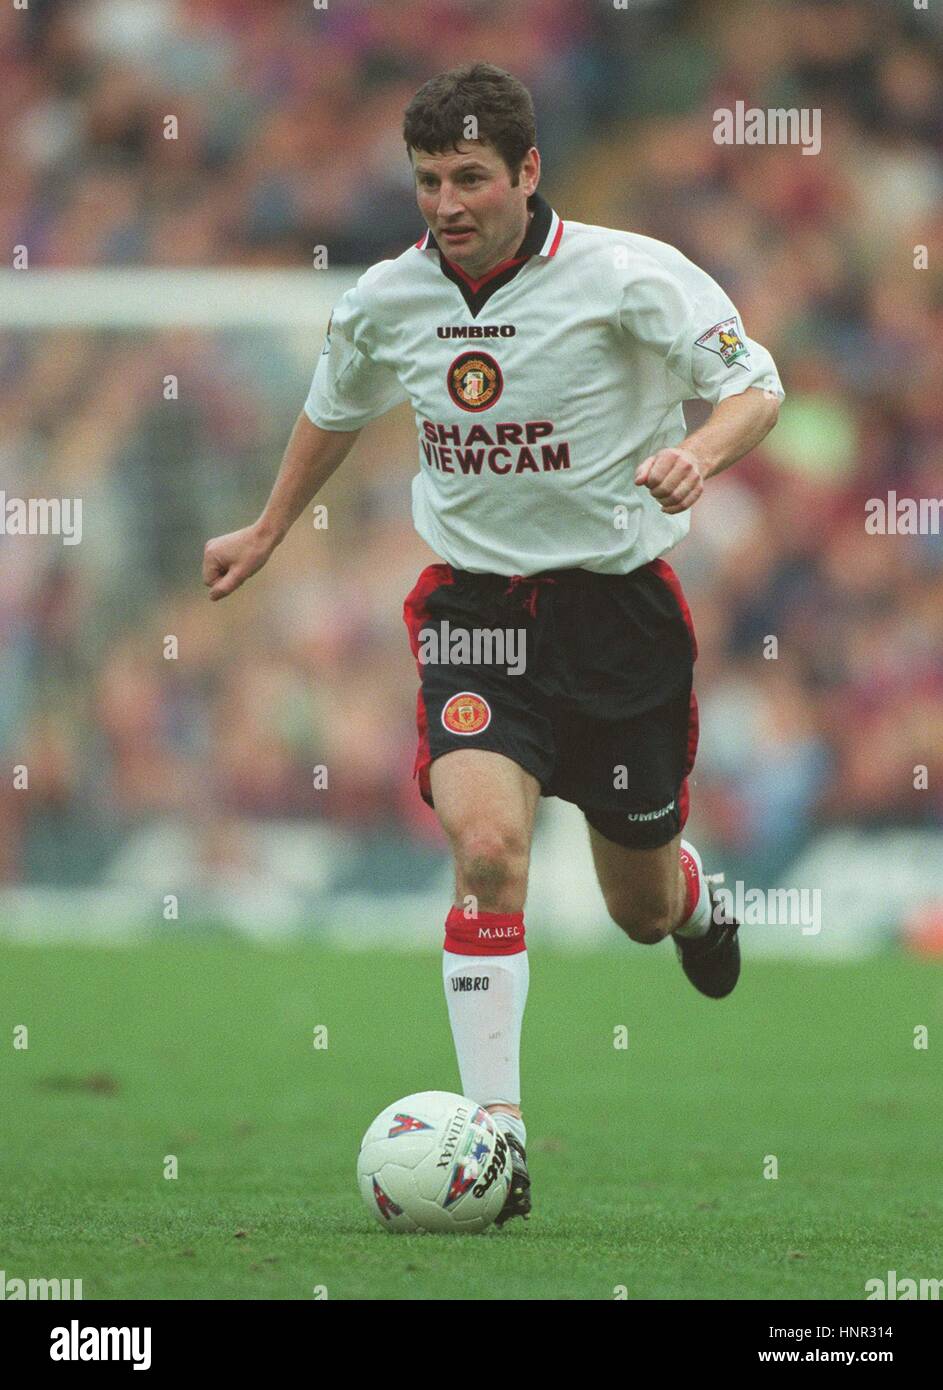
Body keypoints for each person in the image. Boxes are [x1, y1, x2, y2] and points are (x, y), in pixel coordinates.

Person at [203, 62, 783, 1227]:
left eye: (469, 176)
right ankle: (499, 1145)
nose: (445, 201)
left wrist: (699, 456)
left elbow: (754, 385)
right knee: (484, 852)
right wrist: (269, 526)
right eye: (426, 179)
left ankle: (688, 895)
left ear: (527, 170)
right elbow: (336, 405)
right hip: (475, 615)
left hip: (617, 618)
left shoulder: (629, 276)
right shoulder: (385, 299)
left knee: (634, 906)